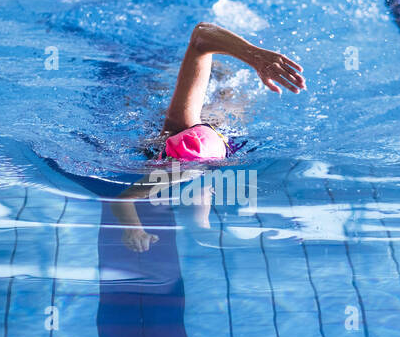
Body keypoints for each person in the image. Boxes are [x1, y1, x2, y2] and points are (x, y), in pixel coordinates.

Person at [115, 21, 305, 251]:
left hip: (189, 130)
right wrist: (265, 241)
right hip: (203, 142)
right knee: (231, 99)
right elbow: (201, 233)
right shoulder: (181, 166)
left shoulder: (180, 131)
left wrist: (133, 228)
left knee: (225, 93)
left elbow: (201, 35)